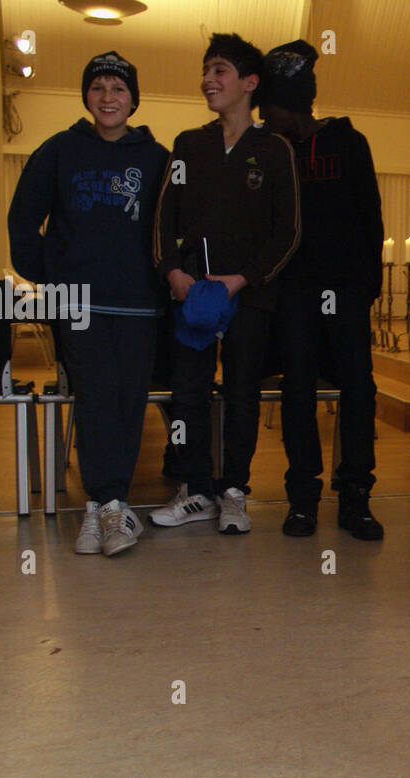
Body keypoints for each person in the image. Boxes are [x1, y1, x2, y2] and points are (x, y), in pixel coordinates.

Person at [8, 51, 168, 557]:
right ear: (86, 96)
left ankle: (112, 504)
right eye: (98, 88)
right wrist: (49, 274)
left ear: (133, 99)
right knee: (95, 398)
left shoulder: (157, 158)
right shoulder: (58, 151)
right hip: (78, 303)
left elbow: (175, 225)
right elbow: (22, 219)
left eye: (118, 89)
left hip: (140, 304)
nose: (108, 98)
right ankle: (105, 506)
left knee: (128, 403)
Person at [151, 33, 300, 535]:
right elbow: (162, 218)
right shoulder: (188, 145)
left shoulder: (274, 150)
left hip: (250, 296)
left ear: (249, 83)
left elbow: (290, 231)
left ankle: (234, 491)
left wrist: (242, 279)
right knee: (188, 393)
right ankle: (194, 490)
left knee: (241, 393)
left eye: (219, 70)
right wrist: (173, 272)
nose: (208, 80)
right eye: (205, 71)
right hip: (193, 297)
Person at [257, 40, 385, 541]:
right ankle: (303, 500)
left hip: (347, 294)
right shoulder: (273, 150)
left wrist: (367, 286)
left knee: (359, 391)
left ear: (291, 103)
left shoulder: (348, 143)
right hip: (293, 296)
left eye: (268, 107)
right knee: (297, 392)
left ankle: (355, 498)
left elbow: (370, 216)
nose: (263, 116)